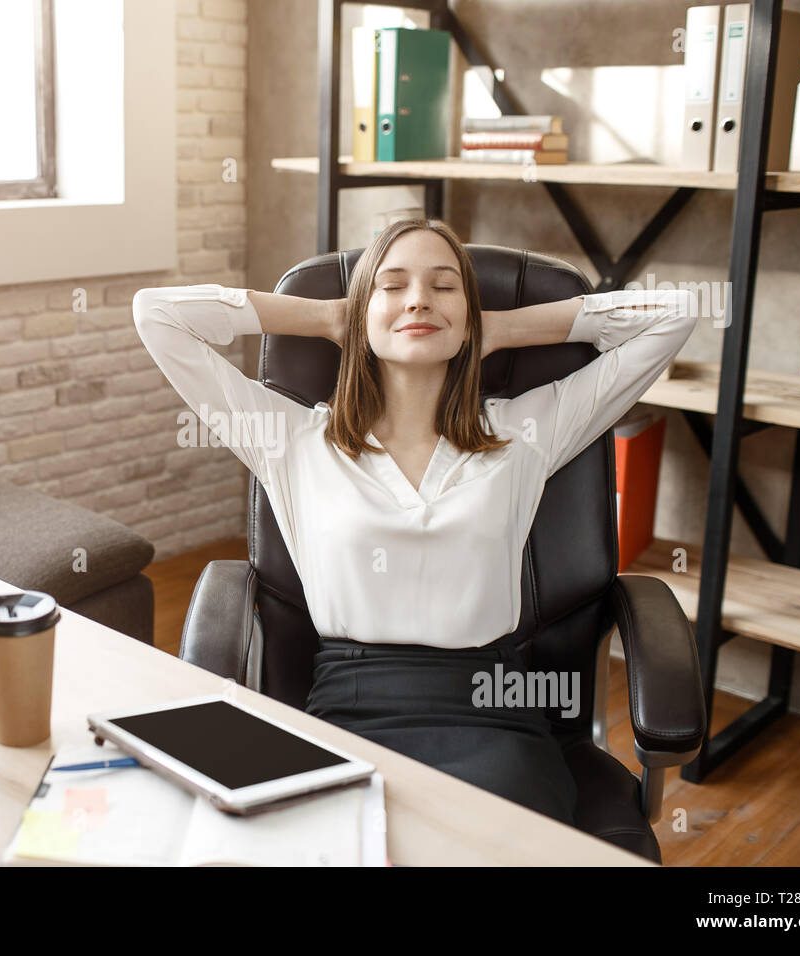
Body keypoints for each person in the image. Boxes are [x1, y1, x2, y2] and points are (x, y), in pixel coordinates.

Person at [132, 217, 698, 827]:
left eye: (445, 287)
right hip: (349, 715)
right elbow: (158, 316)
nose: (420, 300)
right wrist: (323, 318)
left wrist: (501, 328)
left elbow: (676, 314)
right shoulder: (291, 439)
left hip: (494, 712)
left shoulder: (527, 430)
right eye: (392, 286)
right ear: (361, 309)